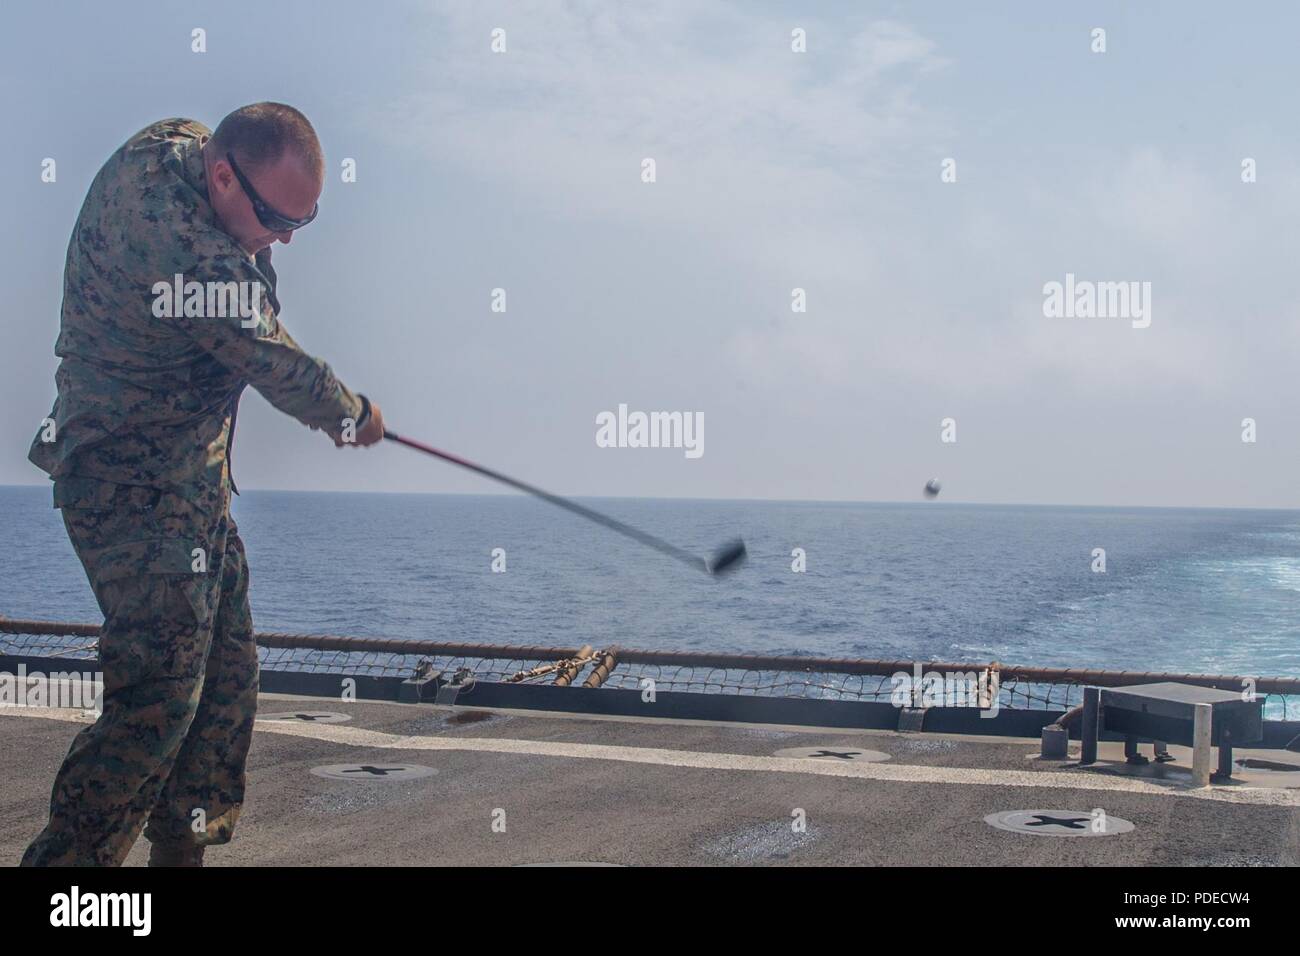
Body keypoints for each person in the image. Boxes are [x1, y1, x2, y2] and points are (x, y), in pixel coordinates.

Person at [22, 103, 383, 866]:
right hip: (126, 482)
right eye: (273, 219)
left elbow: (253, 300)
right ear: (222, 176)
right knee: (157, 697)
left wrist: (258, 232)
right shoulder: (179, 246)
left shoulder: (180, 145)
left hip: (190, 485)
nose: (283, 239)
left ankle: (180, 855)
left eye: (300, 224)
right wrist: (353, 415)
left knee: (225, 682)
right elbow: (270, 357)